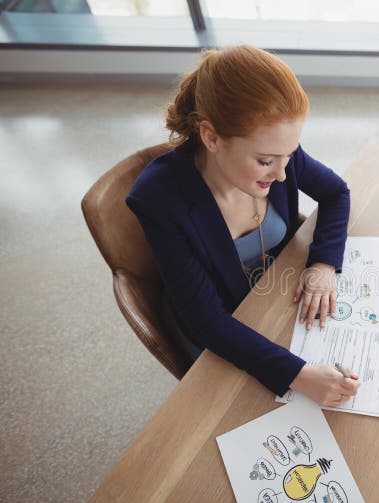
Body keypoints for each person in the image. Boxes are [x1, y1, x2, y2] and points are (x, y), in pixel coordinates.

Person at [126, 45, 360, 407]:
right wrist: (298, 375)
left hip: (278, 297)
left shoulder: (279, 154)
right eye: (266, 160)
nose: (283, 173)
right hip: (225, 327)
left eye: (289, 154)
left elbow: (336, 192)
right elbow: (207, 323)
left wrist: (323, 264)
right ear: (212, 137)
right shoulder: (159, 200)